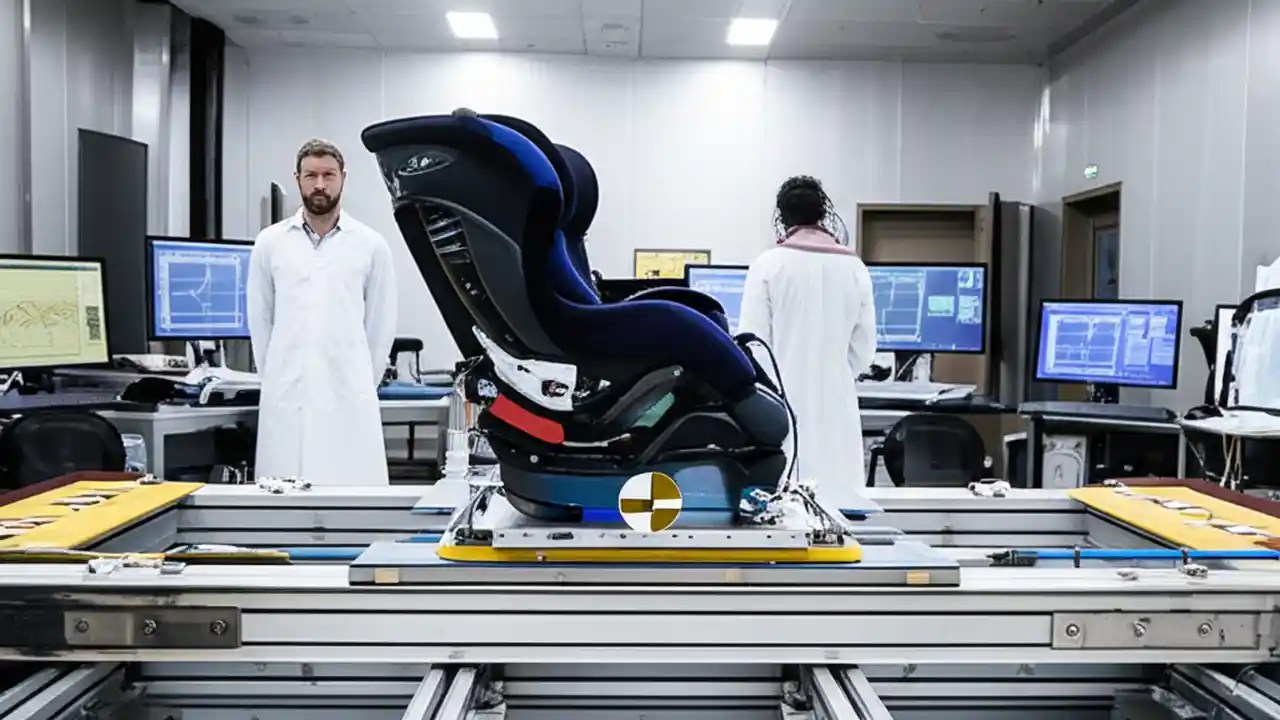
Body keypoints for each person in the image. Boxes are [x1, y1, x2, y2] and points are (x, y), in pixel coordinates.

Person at [247, 138, 399, 486]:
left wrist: (357, 381)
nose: (319, 184)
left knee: (353, 501)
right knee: (283, 504)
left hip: (349, 394)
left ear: (343, 177)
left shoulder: (370, 245)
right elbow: (261, 322)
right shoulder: (270, 243)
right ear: (297, 178)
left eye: (328, 175)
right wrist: (278, 379)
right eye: (311, 175)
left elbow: (379, 326)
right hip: (286, 394)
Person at [737, 175, 877, 493]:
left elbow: (753, 346)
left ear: (781, 218)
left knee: (786, 504)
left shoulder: (768, 265)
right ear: (823, 214)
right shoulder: (855, 268)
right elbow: (864, 350)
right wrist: (834, 375)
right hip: (837, 406)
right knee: (838, 505)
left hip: (781, 409)